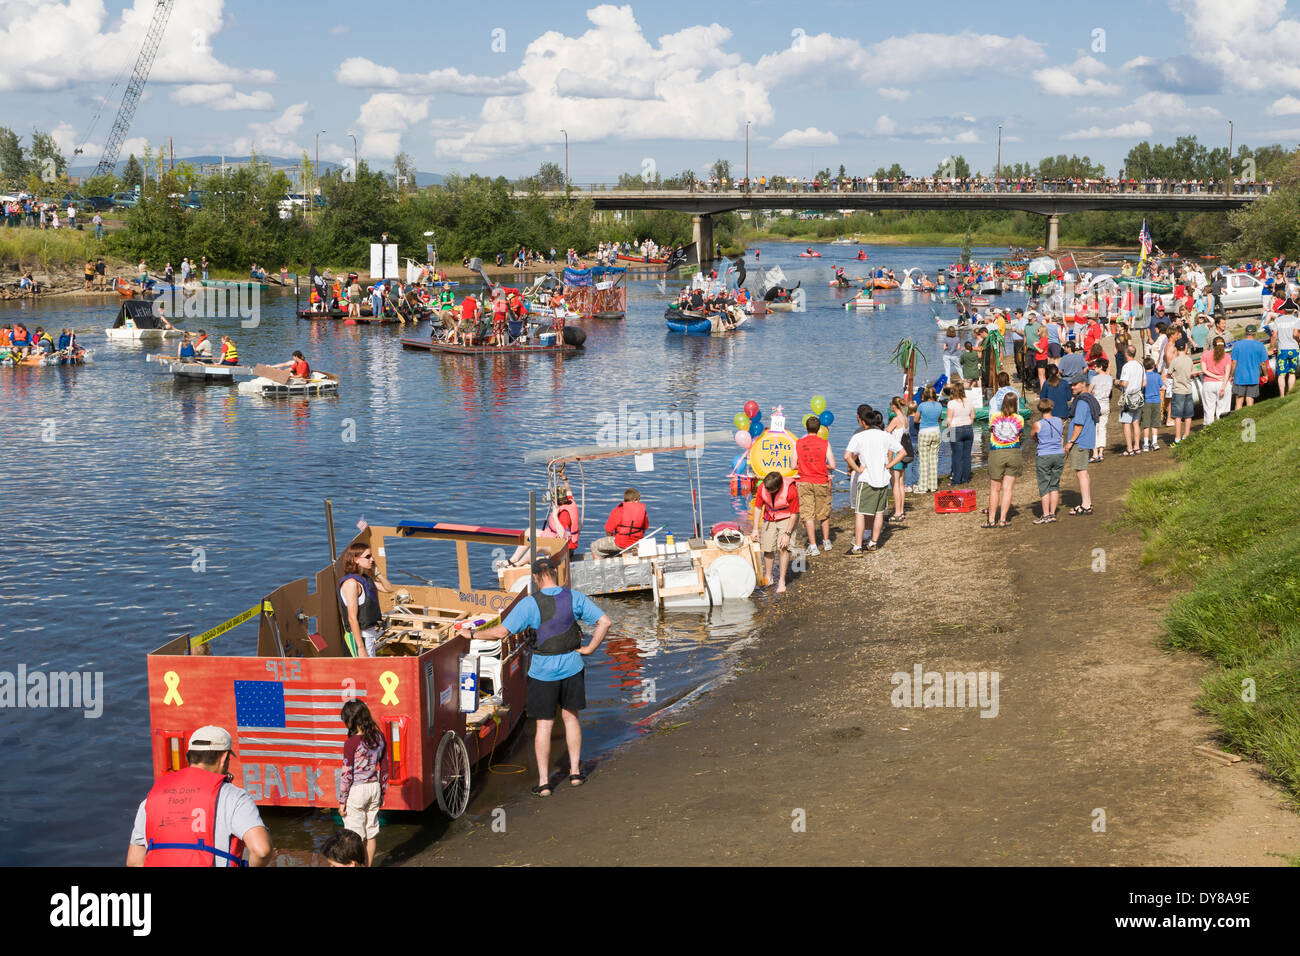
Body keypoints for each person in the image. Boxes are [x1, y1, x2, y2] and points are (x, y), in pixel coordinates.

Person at [474, 557, 611, 797]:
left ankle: (545, 783)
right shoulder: (574, 597)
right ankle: (576, 773)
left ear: (536, 578)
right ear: (555, 574)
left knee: (544, 725)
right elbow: (604, 621)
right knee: (571, 719)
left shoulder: (529, 604)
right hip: (572, 667)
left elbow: (501, 632)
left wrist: (472, 633)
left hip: (542, 673)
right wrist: (590, 649)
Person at [126, 726, 271, 867]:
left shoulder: (151, 799)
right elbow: (261, 851)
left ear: (189, 757)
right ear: (224, 757)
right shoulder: (234, 797)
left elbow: (134, 862)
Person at [844, 406, 905, 554]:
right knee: (878, 512)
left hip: (867, 479)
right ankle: (873, 542)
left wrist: (857, 469)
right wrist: (889, 465)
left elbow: (847, 456)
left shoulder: (859, 437)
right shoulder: (885, 435)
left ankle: (858, 546)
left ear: (863, 422)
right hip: (883, 478)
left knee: (860, 512)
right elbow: (902, 452)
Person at [338, 700, 389, 867]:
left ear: (350, 720)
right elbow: (385, 766)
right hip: (374, 787)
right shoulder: (379, 737)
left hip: (357, 791)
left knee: (354, 837)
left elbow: (347, 775)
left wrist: (342, 801)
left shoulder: (351, 743)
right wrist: (382, 792)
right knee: (371, 834)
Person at [338, 541, 394, 658]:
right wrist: (360, 648)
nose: (372, 559)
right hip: (359, 638)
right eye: (368, 557)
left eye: (372, 556)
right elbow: (352, 618)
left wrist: (377, 572)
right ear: (356, 560)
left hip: (369, 635)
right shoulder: (351, 584)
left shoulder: (365, 580)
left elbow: (389, 589)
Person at [752, 470, 800, 592]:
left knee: (783, 547)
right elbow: (758, 508)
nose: (767, 491)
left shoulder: (791, 490)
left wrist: (787, 534)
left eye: (770, 490)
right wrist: (755, 529)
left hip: (787, 517)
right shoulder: (763, 487)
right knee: (767, 548)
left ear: (778, 488)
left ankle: (782, 581)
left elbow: (794, 513)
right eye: (766, 489)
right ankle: (769, 577)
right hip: (770, 516)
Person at [795, 415, 835, 553]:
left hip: (805, 481)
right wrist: (822, 464)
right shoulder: (825, 443)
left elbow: (793, 464)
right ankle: (826, 541)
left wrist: (803, 465)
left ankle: (813, 546)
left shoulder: (799, 443)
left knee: (807, 514)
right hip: (821, 481)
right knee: (823, 512)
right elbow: (833, 464)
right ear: (819, 429)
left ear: (806, 428)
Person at [984, 392, 1024, 528]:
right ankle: (1002, 519)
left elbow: (991, 431)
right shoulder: (1019, 418)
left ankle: (991, 520)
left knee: (995, 489)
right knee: (1008, 489)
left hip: (997, 452)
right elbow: (1020, 433)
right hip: (1013, 452)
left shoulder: (995, 417)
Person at [1065, 377, 1100, 515]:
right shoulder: (1090, 399)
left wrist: (1070, 442)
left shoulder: (1081, 403)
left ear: (1083, 384)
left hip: (1080, 442)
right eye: (1071, 385)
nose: (1072, 387)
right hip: (1087, 440)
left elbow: (1078, 425)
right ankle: (1087, 503)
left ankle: (1086, 505)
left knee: (1081, 473)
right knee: (1083, 472)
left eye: (1075, 385)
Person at [1031, 397, 1065, 523]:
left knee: (1044, 485)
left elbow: (1032, 436)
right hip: (1058, 454)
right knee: (1054, 484)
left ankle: (1045, 515)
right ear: (1051, 407)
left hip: (1044, 455)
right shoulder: (1059, 420)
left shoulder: (1037, 424)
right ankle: (1052, 514)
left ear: (1039, 409)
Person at [590, 489, 649, 558]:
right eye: (639, 499)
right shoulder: (642, 512)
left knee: (594, 546)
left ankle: (598, 567)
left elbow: (608, 531)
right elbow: (644, 529)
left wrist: (613, 537)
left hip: (621, 543)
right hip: (637, 544)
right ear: (635, 499)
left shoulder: (618, 510)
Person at [913, 386, 945, 494]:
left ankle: (923, 487)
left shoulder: (922, 406)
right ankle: (933, 486)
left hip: (924, 432)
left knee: (923, 460)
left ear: (925, 395)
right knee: (933, 460)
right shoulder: (939, 405)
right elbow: (939, 419)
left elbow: (915, 419)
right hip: (936, 431)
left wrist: (924, 420)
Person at [1230, 326, 1271, 409]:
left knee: (1239, 400)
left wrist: (1231, 375)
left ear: (1245, 333)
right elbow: (1263, 363)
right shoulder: (1260, 345)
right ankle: (1249, 420)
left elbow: (1234, 362)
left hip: (1239, 377)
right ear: (1255, 333)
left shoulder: (1237, 345)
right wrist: (1266, 375)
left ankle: (1237, 420)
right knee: (1250, 400)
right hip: (1253, 377)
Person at [885, 397, 911, 521]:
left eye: (891, 404)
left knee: (895, 483)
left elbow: (887, 435)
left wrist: (888, 457)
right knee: (901, 483)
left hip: (896, 453)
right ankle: (901, 511)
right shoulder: (906, 419)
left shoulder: (895, 420)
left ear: (894, 406)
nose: (890, 406)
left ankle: (897, 512)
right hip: (904, 452)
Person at [1117, 346, 1145, 456]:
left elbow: (1124, 383)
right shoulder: (1140, 365)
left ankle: (1129, 448)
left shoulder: (1126, 366)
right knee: (1136, 422)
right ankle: (1137, 447)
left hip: (1128, 397)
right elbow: (1144, 383)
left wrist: (1117, 382)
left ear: (1126, 354)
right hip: (1138, 395)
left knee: (1126, 423)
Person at [1167, 339, 1196, 444]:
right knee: (1188, 415)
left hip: (1178, 390)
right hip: (1188, 389)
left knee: (1177, 416)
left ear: (1176, 348)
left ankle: (1178, 438)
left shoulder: (1175, 361)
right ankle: (1186, 435)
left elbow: (1169, 373)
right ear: (1185, 347)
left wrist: (1174, 375)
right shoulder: (1189, 360)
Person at [946, 381, 975, 485]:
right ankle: (965, 478)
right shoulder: (969, 401)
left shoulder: (951, 403)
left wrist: (949, 431)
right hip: (968, 428)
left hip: (955, 429)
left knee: (957, 455)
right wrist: (968, 423)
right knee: (966, 455)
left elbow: (948, 419)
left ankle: (956, 480)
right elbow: (972, 416)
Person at [1201, 335, 1231, 426]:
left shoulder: (1205, 355)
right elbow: (1227, 373)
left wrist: (1215, 376)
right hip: (1223, 383)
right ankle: (1222, 428)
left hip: (1209, 384)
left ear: (1213, 345)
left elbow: (1204, 370)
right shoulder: (1227, 356)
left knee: (1209, 409)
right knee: (1223, 408)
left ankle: (1208, 429)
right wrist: (1223, 386)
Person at [1087, 361, 1114, 462]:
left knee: (1094, 428)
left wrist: (1093, 392)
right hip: (1106, 404)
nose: (1094, 369)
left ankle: (1094, 453)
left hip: (1096, 404)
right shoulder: (1110, 378)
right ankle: (1101, 453)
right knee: (1102, 428)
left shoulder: (1095, 378)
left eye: (1096, 367)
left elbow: (1089, 391)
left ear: (1100, 367)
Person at [1271, 306, 1299, 397]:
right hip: (1293, 348)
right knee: (1292, 373)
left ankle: (1282, 395)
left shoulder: (1277, 320)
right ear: (1293, 310)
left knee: (1281, 374)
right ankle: (1290, 394)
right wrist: (1298, 340)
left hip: (1282, 349)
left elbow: (1274, 335)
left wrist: (1271, 348)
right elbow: (1295, 334)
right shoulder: (1296, 320)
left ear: (1284, 310)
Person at [1140, 356, 1164, 450]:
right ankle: (1154, 442)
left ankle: (1146, 443)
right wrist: (1158, 389)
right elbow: (1163, 387)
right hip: (1156, 401)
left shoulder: (1143, 377)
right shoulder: (1157, 376)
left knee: (1146, 423)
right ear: (1153, 366)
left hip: (1146, 401)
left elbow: (1142, 387)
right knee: (1155, 423)